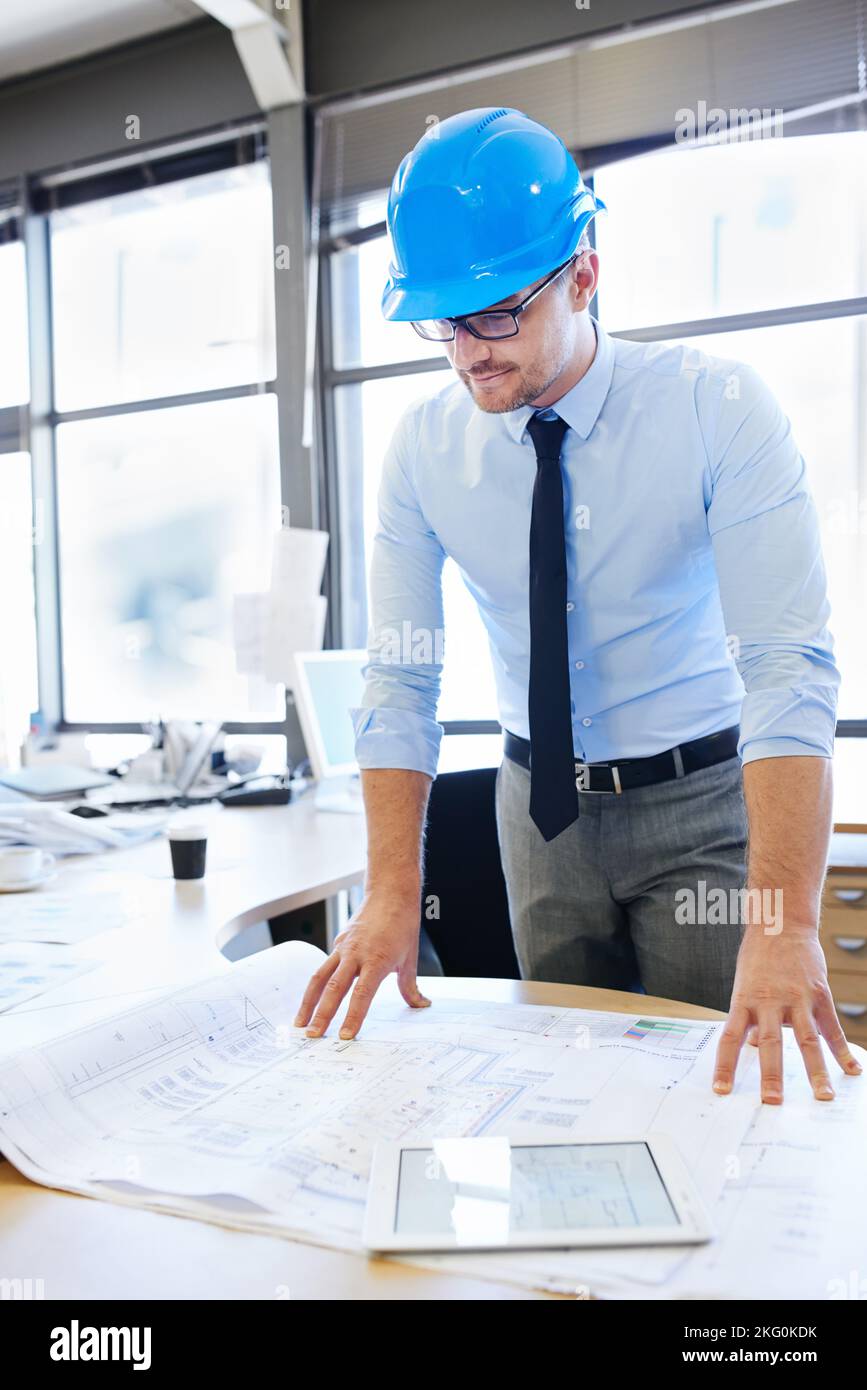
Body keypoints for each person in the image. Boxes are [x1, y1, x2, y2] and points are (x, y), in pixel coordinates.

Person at [294, 106, 862, 1105]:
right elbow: (400, 679)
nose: (469, 350)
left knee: (721, 1096)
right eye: (443, 319)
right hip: (539, 815)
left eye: (497, 311)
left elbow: (787, 668)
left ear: (584, 276)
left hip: (707, 810)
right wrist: (390, 894)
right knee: (564, 1101)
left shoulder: (715, 408)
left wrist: (787, 924)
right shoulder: (424, 451)